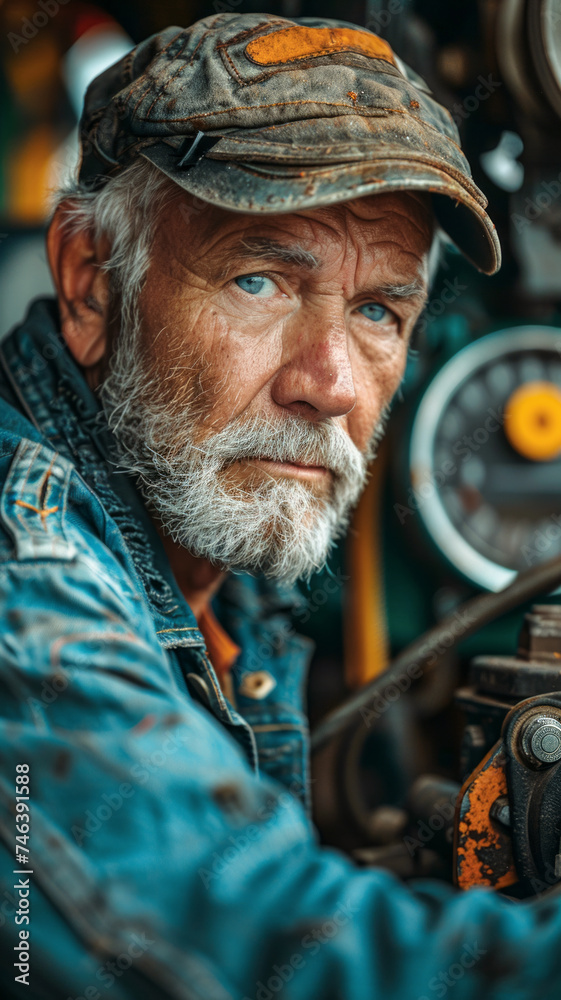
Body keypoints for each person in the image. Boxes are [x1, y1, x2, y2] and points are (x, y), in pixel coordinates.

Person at [0, 11, 559, 1000]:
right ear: (92, 281)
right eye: (259, 279)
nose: (331, 381)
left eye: (379, 309)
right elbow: (258, 951)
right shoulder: (25, 565)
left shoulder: (215, 560)